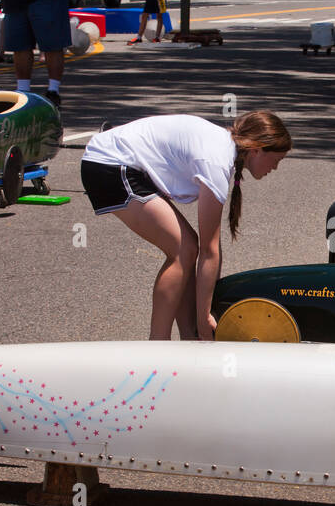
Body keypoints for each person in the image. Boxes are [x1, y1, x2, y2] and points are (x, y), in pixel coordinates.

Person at [80, 111, 292, 340]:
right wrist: (204, 318)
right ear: (256, 149)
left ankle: (188, 337)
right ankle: (157, 345)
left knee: (187, 249)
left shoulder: (222, 151)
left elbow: (210, 252)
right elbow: (209, 252)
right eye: (276, 160)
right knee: (183, 250)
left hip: (119, 162)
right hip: (109, 163)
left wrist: (205, 313)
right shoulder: (216, 161)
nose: (275, 168)